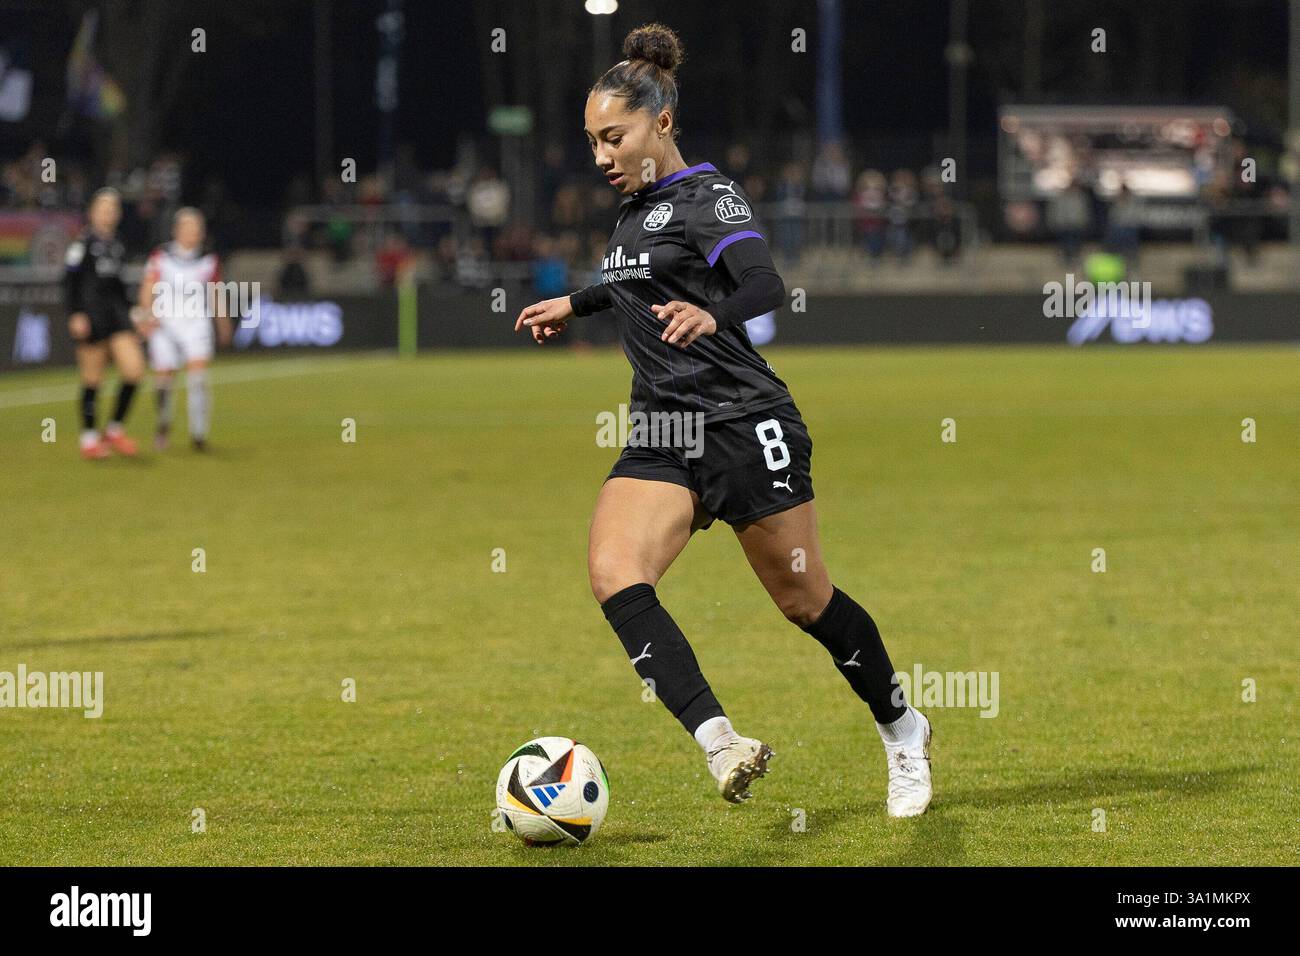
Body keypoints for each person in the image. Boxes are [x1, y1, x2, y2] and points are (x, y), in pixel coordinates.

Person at [513, 23, 933, 816]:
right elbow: (634, 281)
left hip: (744, 421)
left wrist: (715, 316)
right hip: (665, 429)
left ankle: (903, 727)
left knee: (806, 602)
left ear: (660, 124)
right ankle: (722, 744)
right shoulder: (633, 210)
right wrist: (577, 301)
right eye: (592, 140)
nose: (601, 155)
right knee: (614, 574)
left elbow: (764, 284)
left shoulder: (709, 198)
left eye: (614, 136)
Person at [136, 207, 230, 451]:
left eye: (197, 229)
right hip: (164, 324)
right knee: (164, 382)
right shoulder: (161, 256)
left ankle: (199, 436)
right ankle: (164, 423)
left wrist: (223, 322)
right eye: (187, 228)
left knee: (198, 378)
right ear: (176, 230)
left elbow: (216, 293)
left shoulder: (209, 259)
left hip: (196, 324)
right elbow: (148, 286)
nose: (192, 233)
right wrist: (147, 314)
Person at [63, 188, 144, 459]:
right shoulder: (82, 244)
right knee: (92, 379)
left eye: (113, 209)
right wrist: (76, 313)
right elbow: (69, 281)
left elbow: (120, 287)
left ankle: (114, 429)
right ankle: (88, 439)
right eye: (103, 208)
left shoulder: (118, 245)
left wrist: (133, 312)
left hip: (118, 316)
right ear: (92, 212)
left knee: (134, 370)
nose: (108, 213)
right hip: (92, 316)